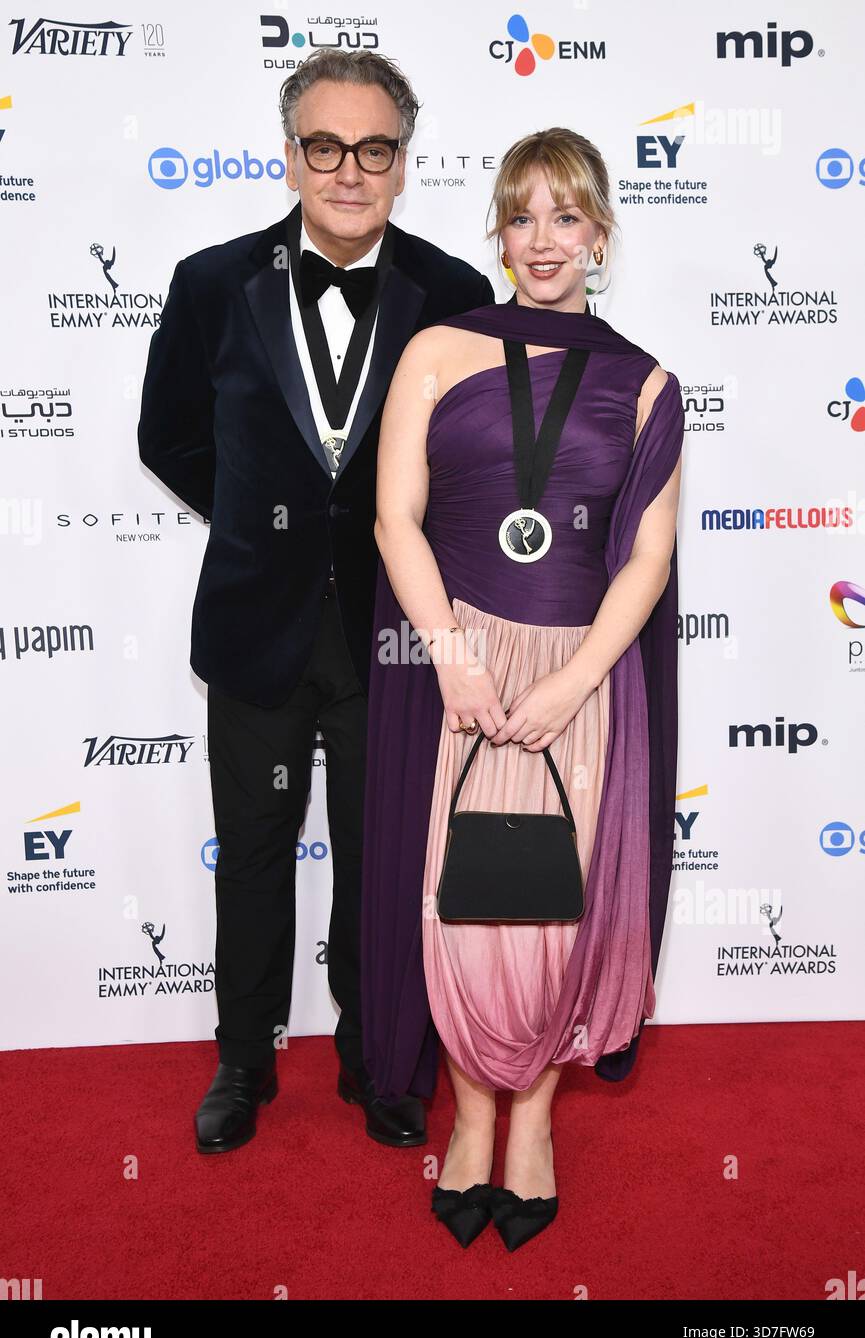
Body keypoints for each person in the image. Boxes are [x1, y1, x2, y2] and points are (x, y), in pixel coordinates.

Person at [137, 49, 495, 1156]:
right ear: (289, 153)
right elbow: (168, 436)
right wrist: (260, 524)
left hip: (394, 633)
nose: (349, 170)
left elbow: (472, 466)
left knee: (380, 858)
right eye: (325, 146)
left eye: (374, 148)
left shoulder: (456, 292)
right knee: (250, 850)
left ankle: (377, 1054)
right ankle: (243, 1057)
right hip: (255, 625)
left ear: (401, 161)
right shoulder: (210, 281)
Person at [361, 127, 684, 1248]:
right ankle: (471, 1114)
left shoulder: (646, 383)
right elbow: (393, 516)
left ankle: (534, 1119)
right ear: (496, 229)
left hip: (580, 677)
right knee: (457, 903)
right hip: (453, 663)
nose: (542, 239)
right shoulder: (437, 348)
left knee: (558, 909)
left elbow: (646, 555)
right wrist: (449, 654)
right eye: (520, 214)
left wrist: (576, 681)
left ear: (600, 234)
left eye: (566, 215)